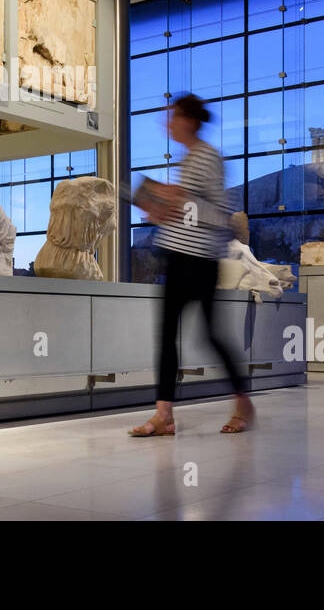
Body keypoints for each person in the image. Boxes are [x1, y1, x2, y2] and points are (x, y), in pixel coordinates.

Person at [129, 94, 253, 437]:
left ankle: (244, 403)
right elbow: (189, 212)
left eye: (173, 116)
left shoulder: (208, 157)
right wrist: (160, 208)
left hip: (199, 261)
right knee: (167, 335)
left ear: (190, 120)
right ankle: (164, 415)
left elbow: (220, 216)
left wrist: (180, 200)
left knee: (210, 335)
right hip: (177, 257)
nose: (167, 123)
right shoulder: (187, 160)